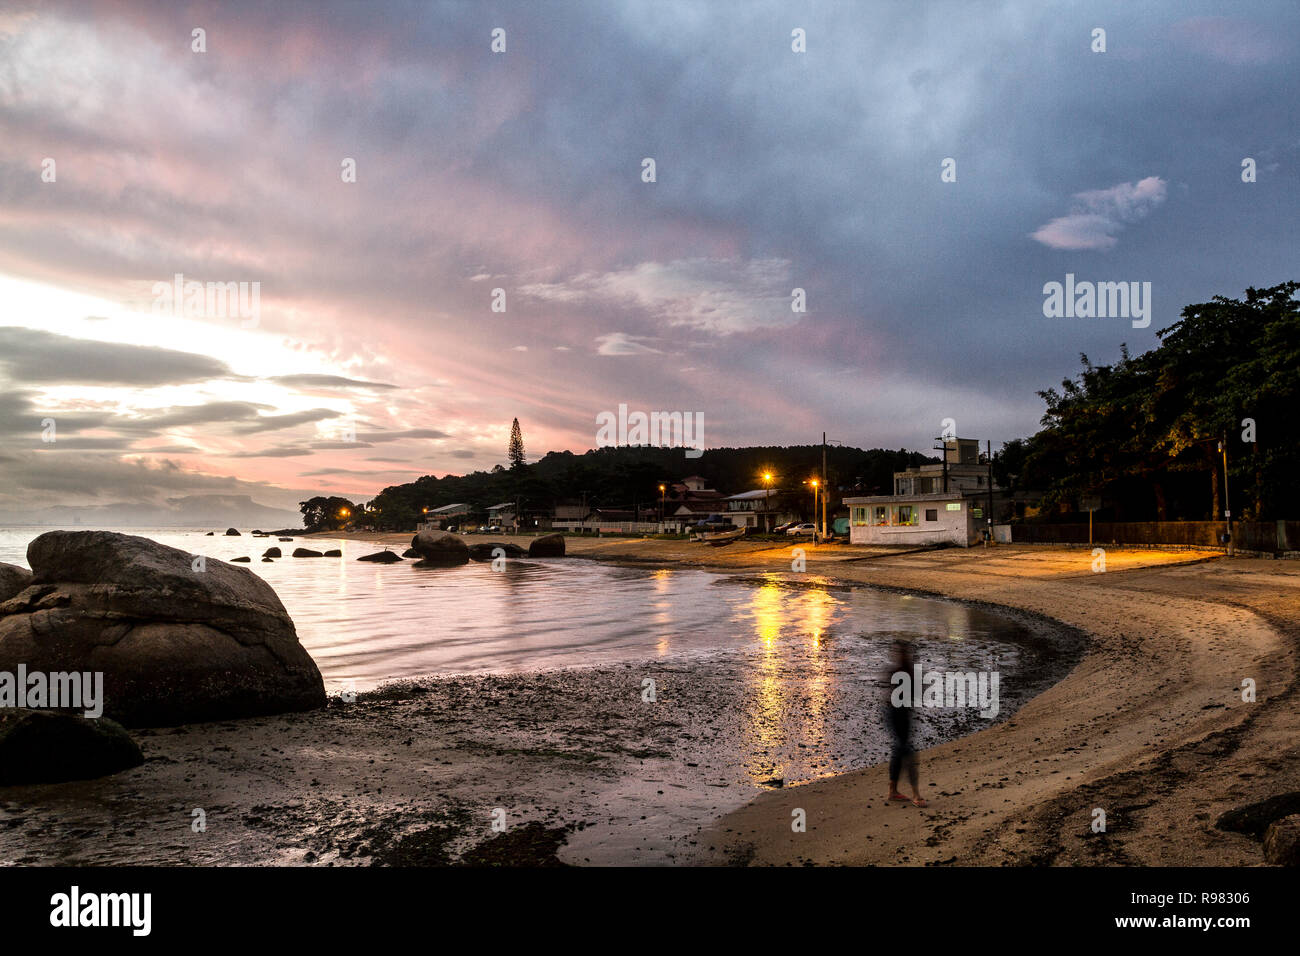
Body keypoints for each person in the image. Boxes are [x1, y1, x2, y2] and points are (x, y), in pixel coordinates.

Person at [885, 639, 927, 807]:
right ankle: (916, 794)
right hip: (895, 715)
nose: (901, 655)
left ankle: (892, 790)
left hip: (903, 715)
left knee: (900, 750)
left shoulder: (908, 671)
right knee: (907, 751)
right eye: (899, 653)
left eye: (903, 652)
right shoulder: (899, 671)